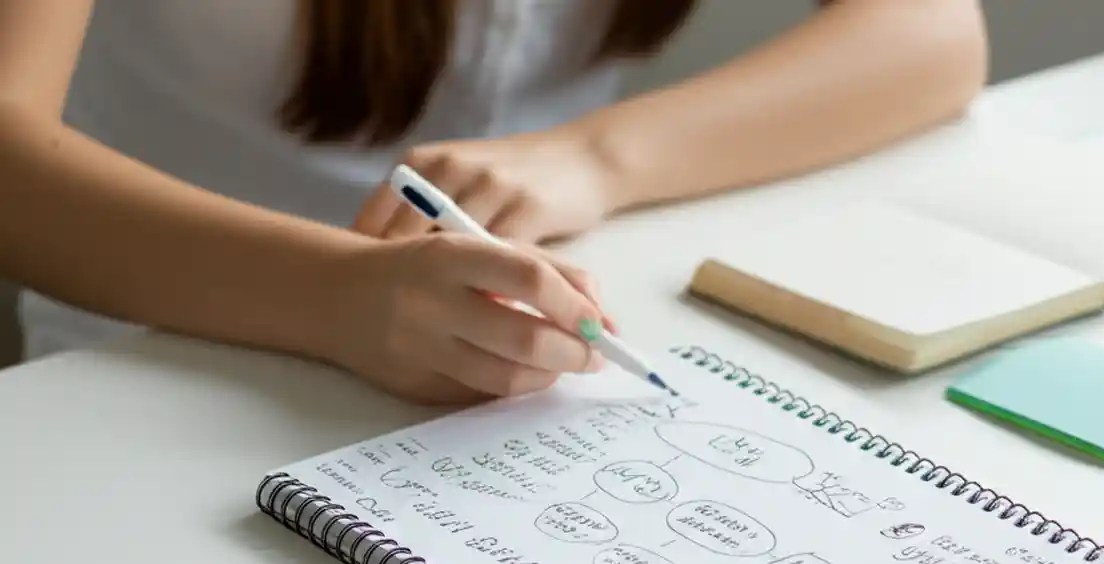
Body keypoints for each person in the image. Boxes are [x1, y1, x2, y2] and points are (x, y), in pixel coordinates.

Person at [0, 0, 988, 404]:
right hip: (154, 360)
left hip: (523, 345)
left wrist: (590, 158)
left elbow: (931, 31)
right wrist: (336, 295)